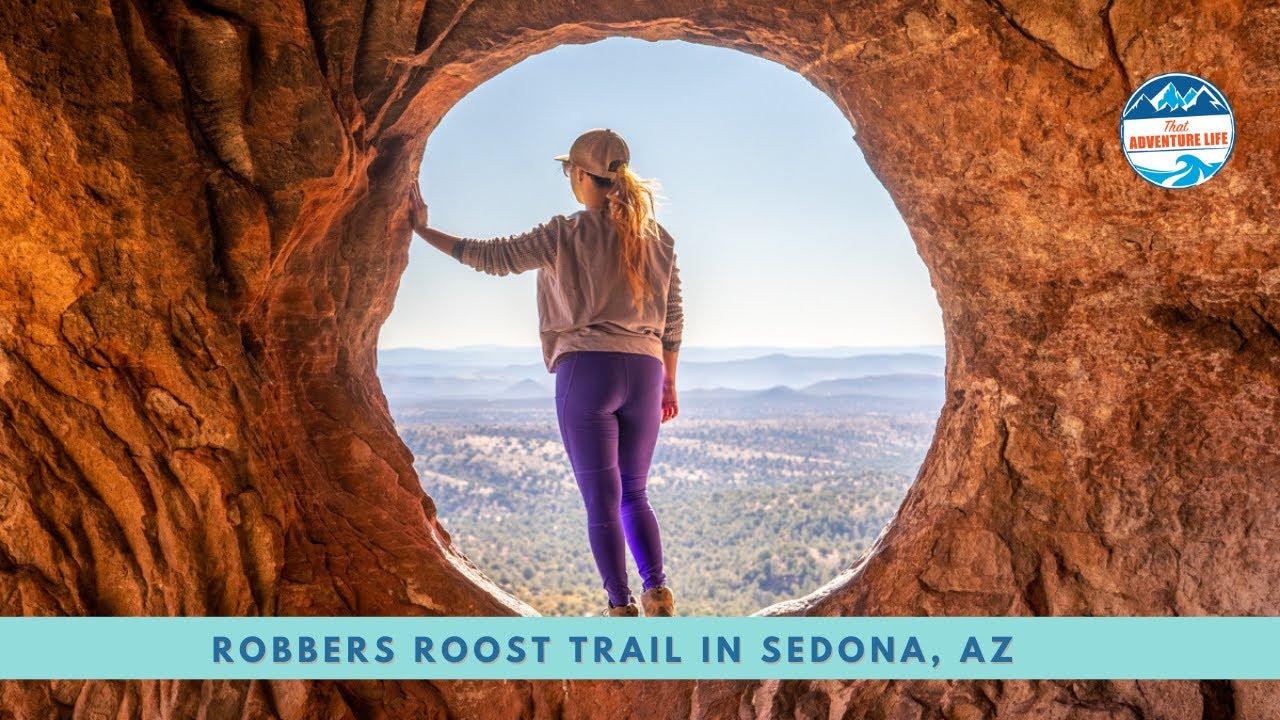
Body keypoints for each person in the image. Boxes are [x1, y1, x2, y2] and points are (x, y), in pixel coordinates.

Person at [408, 128, 683, 618]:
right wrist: (668, 381)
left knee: (601, 499)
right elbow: (673, 319)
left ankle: (620, 609)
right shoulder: (658, 239)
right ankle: (658, 593)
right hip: (645, 372)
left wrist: (422, 230)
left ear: (580, 176)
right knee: (634, 493)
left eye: (568, 172)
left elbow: (492, 257)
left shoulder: (563, 234)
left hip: (588, 370)